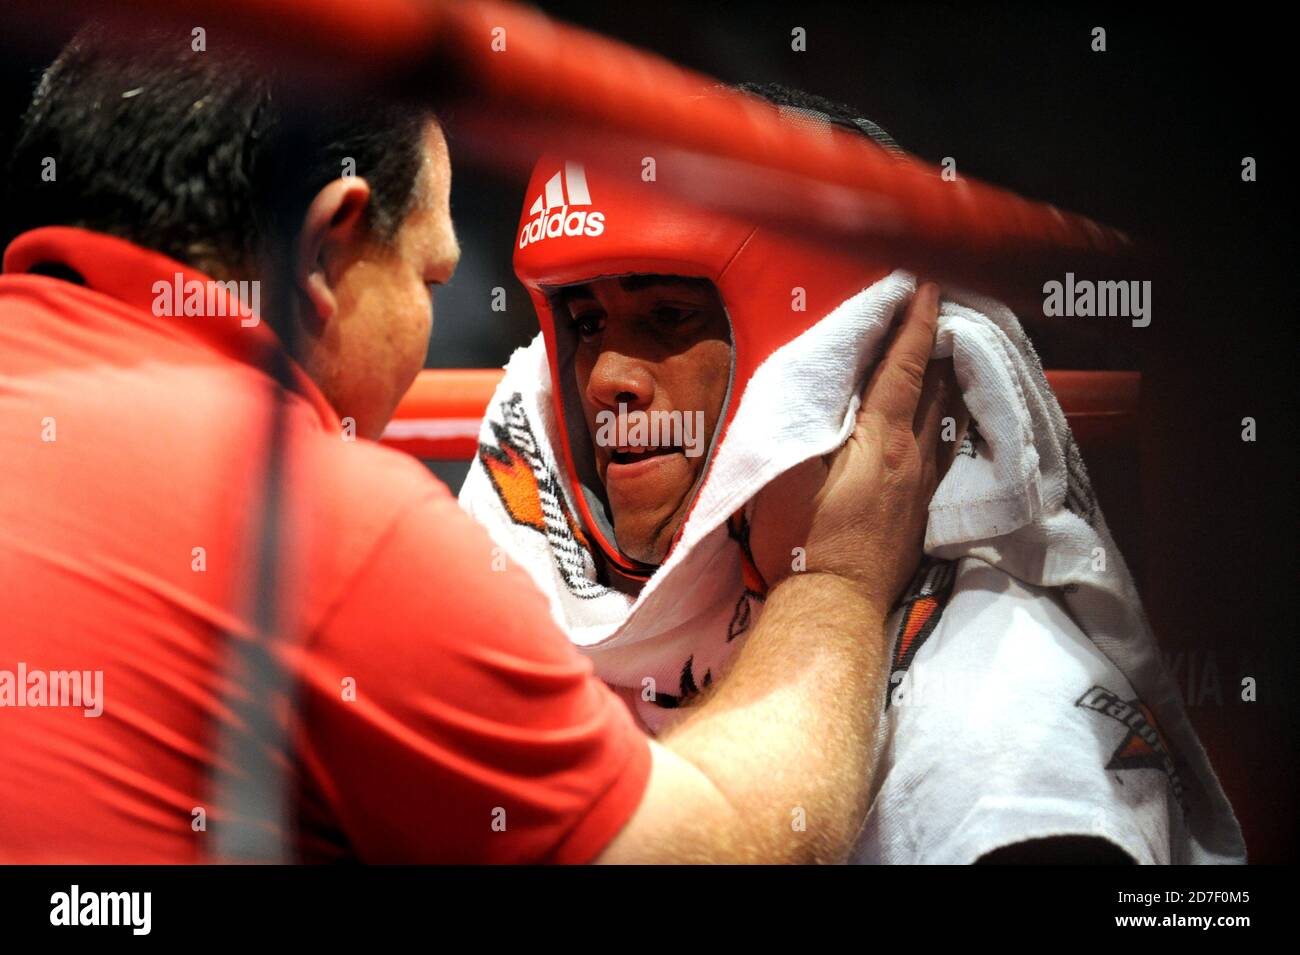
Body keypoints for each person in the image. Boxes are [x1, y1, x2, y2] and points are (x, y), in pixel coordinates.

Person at [0, 26, 955, 863]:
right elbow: (727, 849)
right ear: (328, 252)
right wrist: (835, 579)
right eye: (428, 275)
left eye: (667, 314)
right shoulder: (325, 519)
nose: (605, 378)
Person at [460, 84, 1246, 864]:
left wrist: (833, 582)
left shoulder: (1004, 720)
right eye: (587, 323)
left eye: (669, 316)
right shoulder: (536, 619)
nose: (605, 379)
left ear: (835, 351)